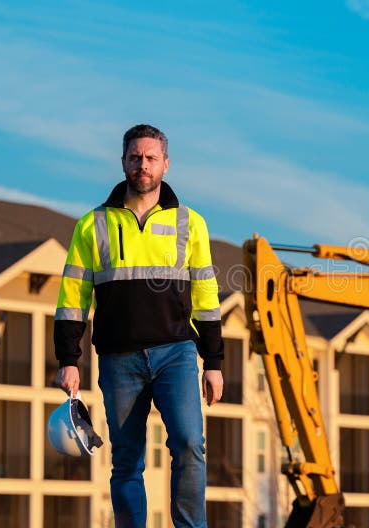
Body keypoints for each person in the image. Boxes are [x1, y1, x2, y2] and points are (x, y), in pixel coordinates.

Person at [53, 124, 224, 528]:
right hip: (118, 358)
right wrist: (68, 358)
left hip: (176, 354)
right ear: (123, 161)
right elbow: (72, 295)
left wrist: (213, 361)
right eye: (135, 157)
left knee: (189, 444)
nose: (142, 165)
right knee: (126, 458)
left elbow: (206, 295)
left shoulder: (191, 223)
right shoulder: (92, 225)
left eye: (150, 158)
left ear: (165, 163)